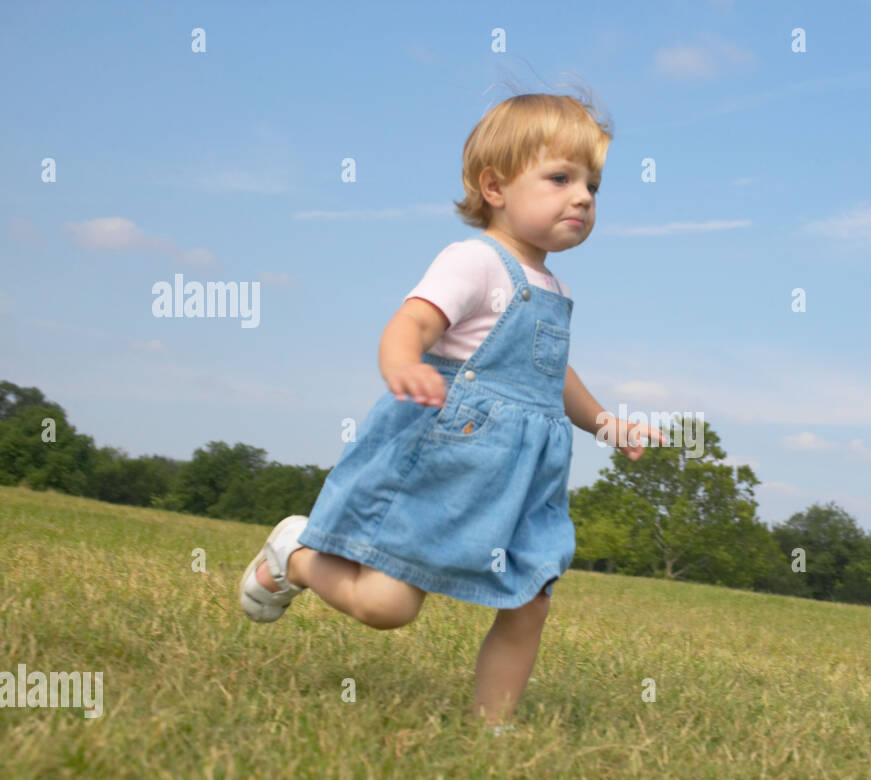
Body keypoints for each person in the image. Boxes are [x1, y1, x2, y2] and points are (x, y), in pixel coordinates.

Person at [237, 92, 663, 731]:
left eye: (592, 185)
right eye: (561, 178)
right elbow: (411, 321)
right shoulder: (473, 262)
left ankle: (493, 729)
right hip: (450, 460)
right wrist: (404, 362)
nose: (583, 197)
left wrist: (607, 422)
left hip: (523, 483)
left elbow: (552, 375)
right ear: (494, 186)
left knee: (529, 600)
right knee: (387, 606)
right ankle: (295, 551)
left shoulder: (556, 289)